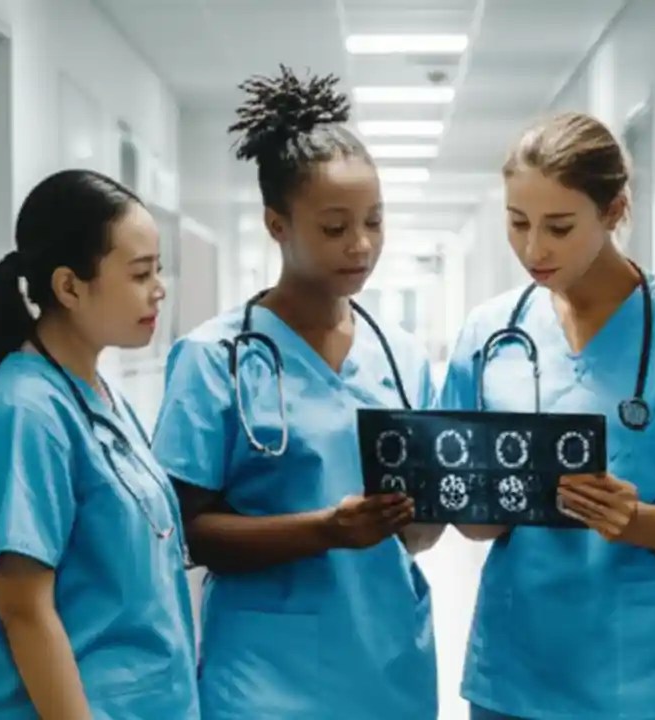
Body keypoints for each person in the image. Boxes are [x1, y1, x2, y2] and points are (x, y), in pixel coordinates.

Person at [439, 111, 655, 720]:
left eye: (559, 227)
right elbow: (472, 518)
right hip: (519, 669)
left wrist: (636, 520)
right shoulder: (490, 333)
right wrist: (469, 511)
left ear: (614, 211)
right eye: (517, 222)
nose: (534, 249)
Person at [150, 67, 442, 719]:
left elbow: (419, 533)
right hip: (265, 677)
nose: (361, 245)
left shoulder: (401, 357)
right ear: (276, 224)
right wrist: (325, 530)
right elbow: (189, 533)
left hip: (388, 663)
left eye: (374, 221)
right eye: (335, 228)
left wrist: (425, 517)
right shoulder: (214, 357)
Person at [0, 169, 198, 719]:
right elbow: (24, 610)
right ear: (69, 287)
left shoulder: (98, 395)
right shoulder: (23, 413)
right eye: (140, 273)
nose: (159, 288)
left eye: (158, 270)